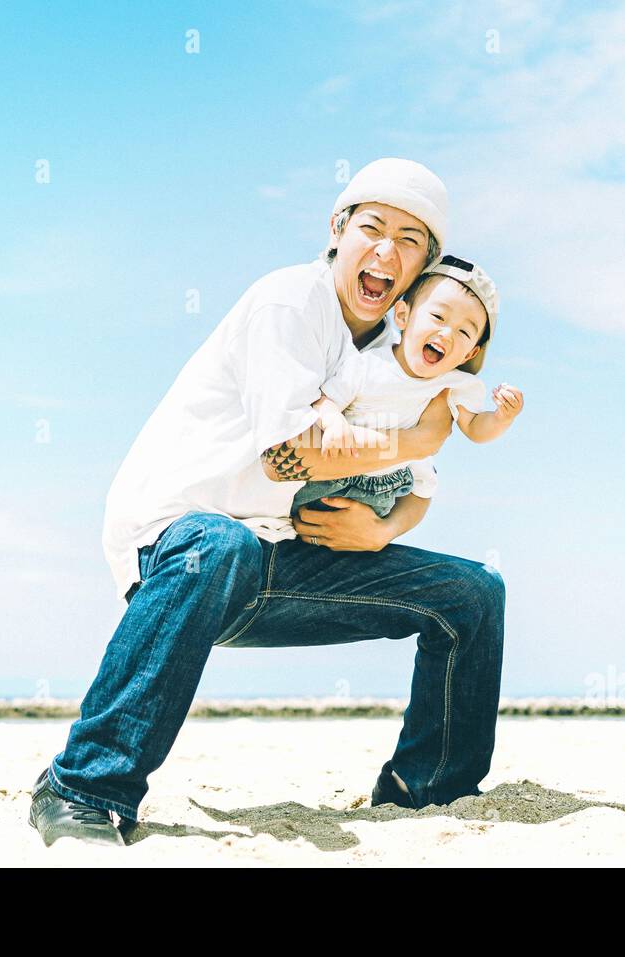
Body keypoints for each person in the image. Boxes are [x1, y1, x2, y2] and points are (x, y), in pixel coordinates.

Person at [28, 158, 507, 847]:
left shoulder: (387, 354)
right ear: (337, 229)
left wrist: (378, 533)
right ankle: (84, 783)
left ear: (420, 272)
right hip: (180, 545)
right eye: (372, 228)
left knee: (474, 592)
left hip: (284, 556)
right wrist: (413, 438)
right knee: (221, 544)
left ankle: (425, 787)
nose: (386, 251)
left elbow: (397, 467)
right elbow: (298, 450)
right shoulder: (292, 302)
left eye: (410, 241)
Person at [291, 254, 525, 520]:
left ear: (469, 354)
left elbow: (475, 429)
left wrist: (502, 417)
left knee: (360, 535)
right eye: (438, 316)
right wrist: (334, 423)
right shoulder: (369, 365)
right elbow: (325, 400)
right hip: (334, 471)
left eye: (463, 332)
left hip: (387, 486)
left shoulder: (454, 385)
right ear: (403, 315)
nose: (447, 334)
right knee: (307, 519)